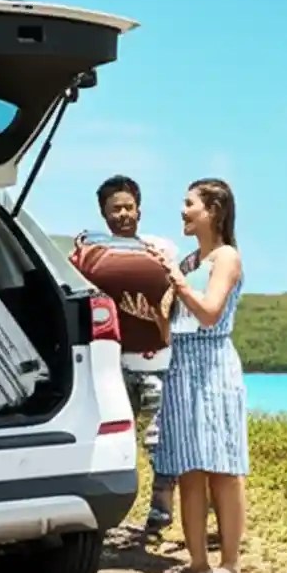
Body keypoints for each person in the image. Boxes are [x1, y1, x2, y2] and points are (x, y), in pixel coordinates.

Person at [147, 178, 248, 573]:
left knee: (223, 468)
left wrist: (177, 280)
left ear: (214, 211)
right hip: (182, 367)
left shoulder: (226, 257)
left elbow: (209, 313)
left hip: (214, 366)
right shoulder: (190, 261)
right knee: (190, 468)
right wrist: (155, 310)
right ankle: (197, 562)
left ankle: (230, 565)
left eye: (189, 204)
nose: (182, 212)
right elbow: (172, 332)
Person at [78, 175, 179, 539]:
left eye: (128, 207)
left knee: (159, 442)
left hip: (157, 365)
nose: (123, 214)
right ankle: (104, 516)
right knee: (109, 441)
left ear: (140, 209)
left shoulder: (160, 247)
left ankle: (160, 514)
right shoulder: (89, 247)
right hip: (112, 366)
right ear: (103, 213)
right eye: (114, 209)